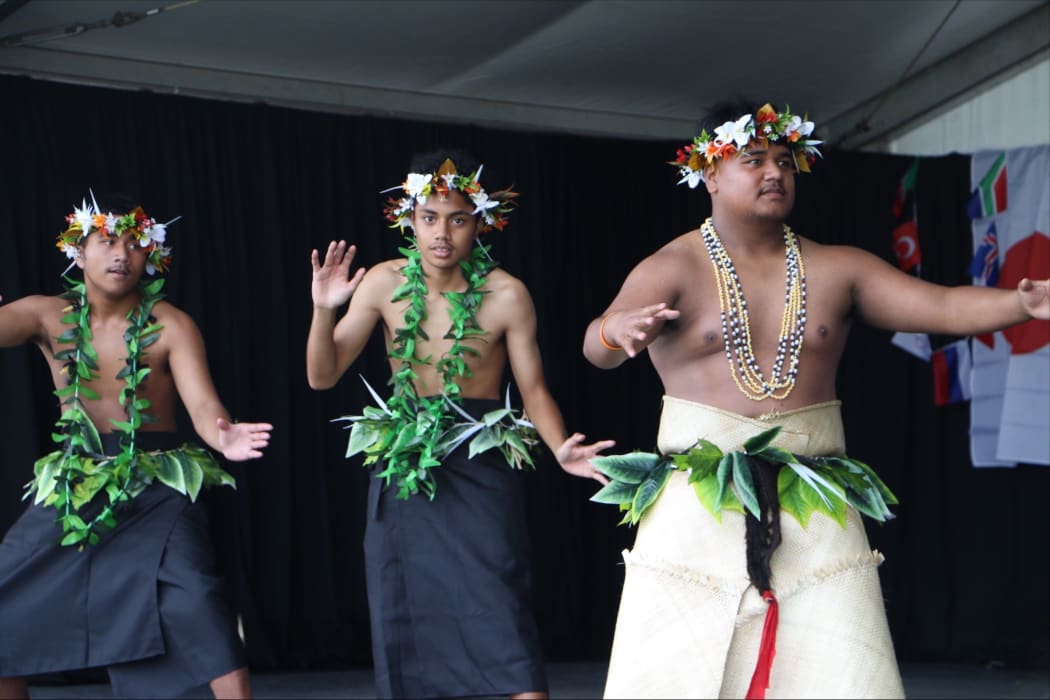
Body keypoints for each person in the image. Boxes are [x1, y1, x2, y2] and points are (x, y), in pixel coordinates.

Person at [582, 102, 1050, 699]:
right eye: (753, 160)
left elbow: (940, 306)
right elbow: (597, 346)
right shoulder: (671, 266)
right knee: (678, 670)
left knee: (840, 670)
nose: (774, 172)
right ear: (709, 174)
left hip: (815, 497)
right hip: (695, 502)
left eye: (784, 161)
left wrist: (1024, 305)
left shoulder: (837, 268)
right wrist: (612, 333)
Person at [307, 149, 613, 700]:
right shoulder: (381, 282)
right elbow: (322, 377)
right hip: (405, 460)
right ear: (409, 219)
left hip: (480, 455)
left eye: (458, 218)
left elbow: (534, 388)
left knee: (496, 599)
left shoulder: (506, 294)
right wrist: (324, 308)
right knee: (404, 606)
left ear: (483, 222)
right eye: (429, 218)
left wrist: (560, 446)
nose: (441, 233)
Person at [0, 193, 273, 700]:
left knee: (197, 603)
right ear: (77, 253)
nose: (122, 253)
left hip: (158, 485)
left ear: (152, 257)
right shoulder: (47, 315)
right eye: (106, 242)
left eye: (135, 243)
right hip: (75, 481)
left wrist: (223, 434)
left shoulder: (171, 324)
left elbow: (203, 406)